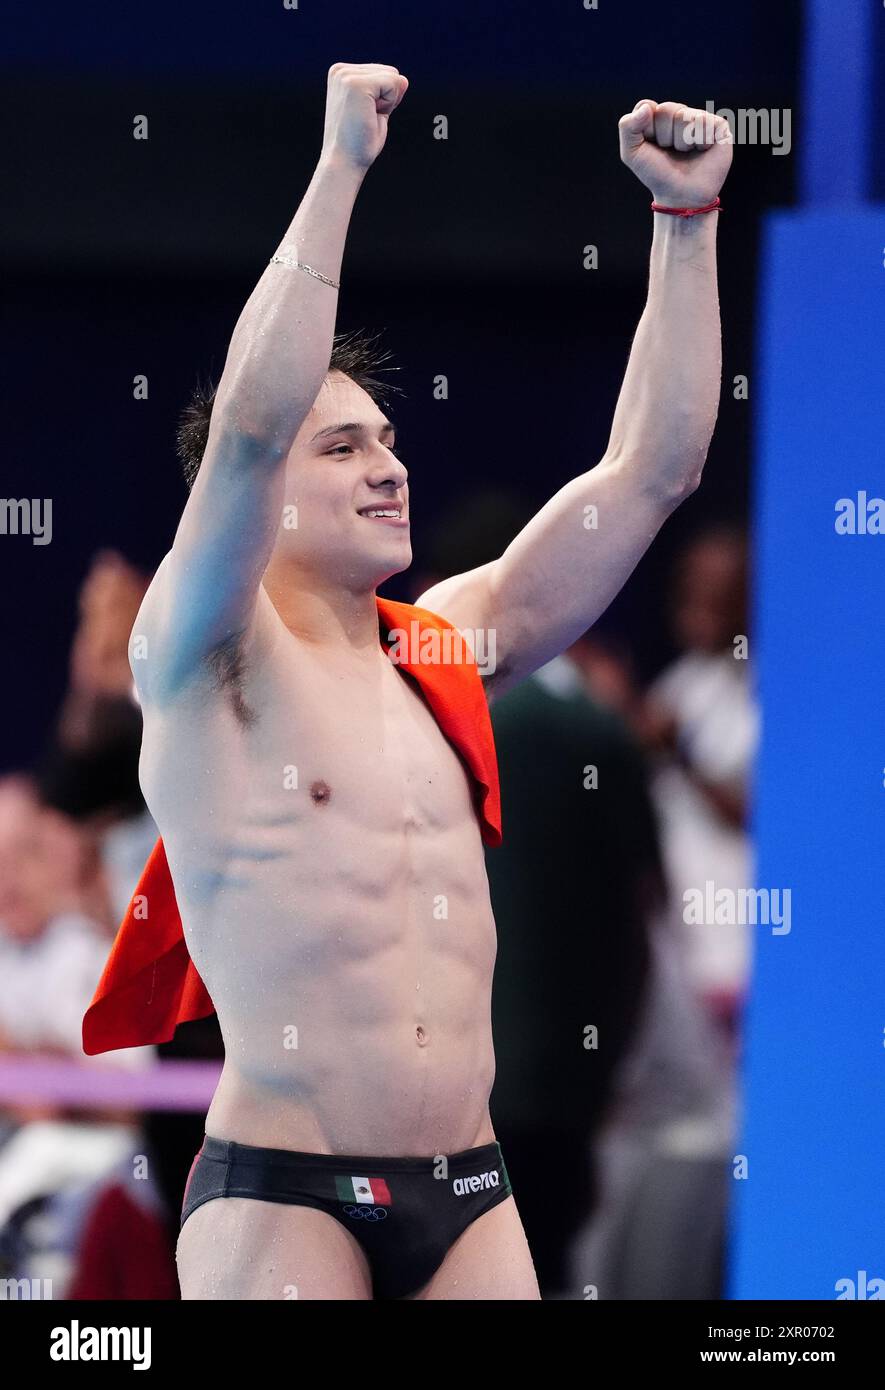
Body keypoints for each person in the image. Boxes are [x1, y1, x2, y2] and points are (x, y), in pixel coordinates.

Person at [84, 64, 732, 1300]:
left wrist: (686, 224)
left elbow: (655, 466)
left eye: (389, 437)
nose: (389, 465)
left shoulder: (445, 645)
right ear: (265, 498)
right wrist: (339, 171)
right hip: (286, 1193)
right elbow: (251, 425)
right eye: (346, 445)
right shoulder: (206, 656)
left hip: (474, 1190)